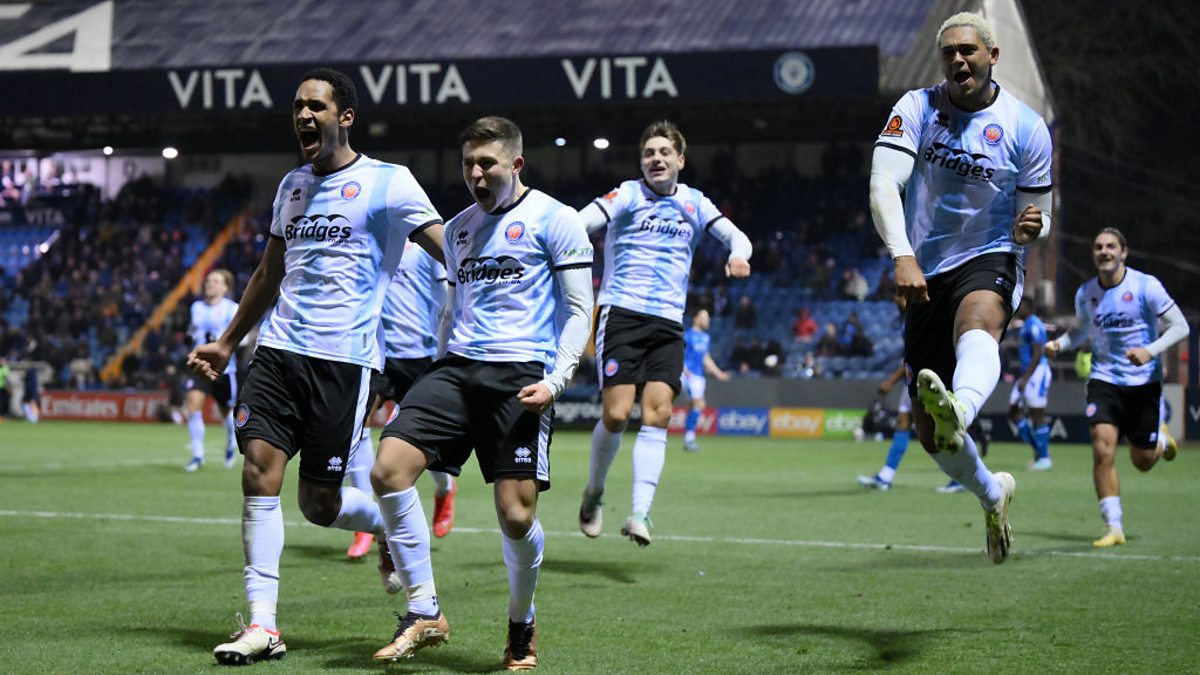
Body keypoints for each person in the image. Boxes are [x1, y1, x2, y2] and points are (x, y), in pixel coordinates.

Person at [186, 67, 446, 665]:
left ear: (345, 116)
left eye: (316, 106)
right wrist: (228, 342)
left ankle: (382, 525)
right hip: (279, 352)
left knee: (318, 506)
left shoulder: (390, 183)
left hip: (346, 363)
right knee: (258, 473)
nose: (303, 115)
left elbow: (449, 250)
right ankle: (263, 625)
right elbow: (267, 274)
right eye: (297, 106)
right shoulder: (292, 186)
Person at [368, 116, 593, 670]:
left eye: (486, 163)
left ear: (515, 164)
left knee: (515, 517)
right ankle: (424, 611)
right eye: (468, 163)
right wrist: (439, 363)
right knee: (388, 469)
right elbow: (453, 308)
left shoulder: (556, 219)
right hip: (456, 368)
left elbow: (579, 310)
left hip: (519, 376)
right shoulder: (460, 229)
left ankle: (521, 623)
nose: (475, 173)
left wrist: (557, 379)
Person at [868, 11, 1054, 564]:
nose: (957, 60)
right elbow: (883, 184)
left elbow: (1037, 216)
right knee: (930, 437)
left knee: (979, 321)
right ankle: (991, 493)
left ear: (992, 56)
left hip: (991, 255)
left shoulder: (1025, 128)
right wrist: (902, 255)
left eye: (968, 50)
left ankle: (965, 407)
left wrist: (1032, 227)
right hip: (926, 266)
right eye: (948, 52)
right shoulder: (918, 108)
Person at [578, 120, 752, 547]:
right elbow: (581, 223)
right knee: (617, 415)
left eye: (663, 152)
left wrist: (739, 254)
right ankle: (594, 493)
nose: (655, 159)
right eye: (648, 153)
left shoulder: (694, 202)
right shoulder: (626, 194)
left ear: (680, 160)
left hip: (668, 322)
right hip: (621, 314)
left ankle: (640, 513)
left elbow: (737, 236)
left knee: (657, 415)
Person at [1044, 228, 1189, 548]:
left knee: (1143, 460)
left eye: (1111, 247)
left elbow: (1181, 326)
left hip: (1144, 383)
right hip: (1104, 379)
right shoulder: (1087, 293)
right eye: (1098, 247)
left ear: (1124, 252)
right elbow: (1081, 332)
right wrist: (1060, 344)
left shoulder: (1146, 286)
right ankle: (1114, 526)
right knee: (1101, 447)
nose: (1104, 252)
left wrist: (1150, 351)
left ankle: (1161, 442)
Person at [344, 242, 458, 560]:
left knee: (422, 438)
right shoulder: (372, 244)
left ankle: (444, 488)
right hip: (379, 355)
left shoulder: (427, 246)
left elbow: (446, 300)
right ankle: (365, 518)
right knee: (358, 426)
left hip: (421, 354)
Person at [183, 269, 240, 472]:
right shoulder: (196, 307)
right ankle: (197, 455)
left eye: (216, 281)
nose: (210, 284)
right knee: (192, 405)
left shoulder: (232, 309)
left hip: (224, 370)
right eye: (208, 280)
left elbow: (239, 336)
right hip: (200, 366)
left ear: (225, 287)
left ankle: (231, 442)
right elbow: (193, 331)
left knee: (227, 414)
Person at [1007, 296, 1053, 470]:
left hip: (1036, 373)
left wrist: (1026, 378)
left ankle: (1045, 458)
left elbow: (1037, 353)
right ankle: (1037, 448)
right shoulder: (1025, 324)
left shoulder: (1034, 325)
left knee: (1037, 414)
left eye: (1021, 306)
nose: (1018, 309)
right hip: (1027, 373)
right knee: (1013, 412)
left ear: (1028, 307)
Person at [681, 309, 730, 452]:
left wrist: (718, 373)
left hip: (699, 376)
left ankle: (688, 439)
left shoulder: (705, 338)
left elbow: (705, 358)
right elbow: (679, 353)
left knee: (695, 406)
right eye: (705, 317)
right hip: (687, 374)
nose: (708, 320)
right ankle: (689, 439)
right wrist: (684, 369)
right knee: (699, 404)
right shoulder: (687, 335)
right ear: (696, 318)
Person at [857, 362, 912, 490]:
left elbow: (912, 355)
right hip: (915, 378)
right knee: (903, 422)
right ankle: (885, 477)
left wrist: (891, 381)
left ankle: (960, 476)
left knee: (936, 426)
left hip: (924, 375)